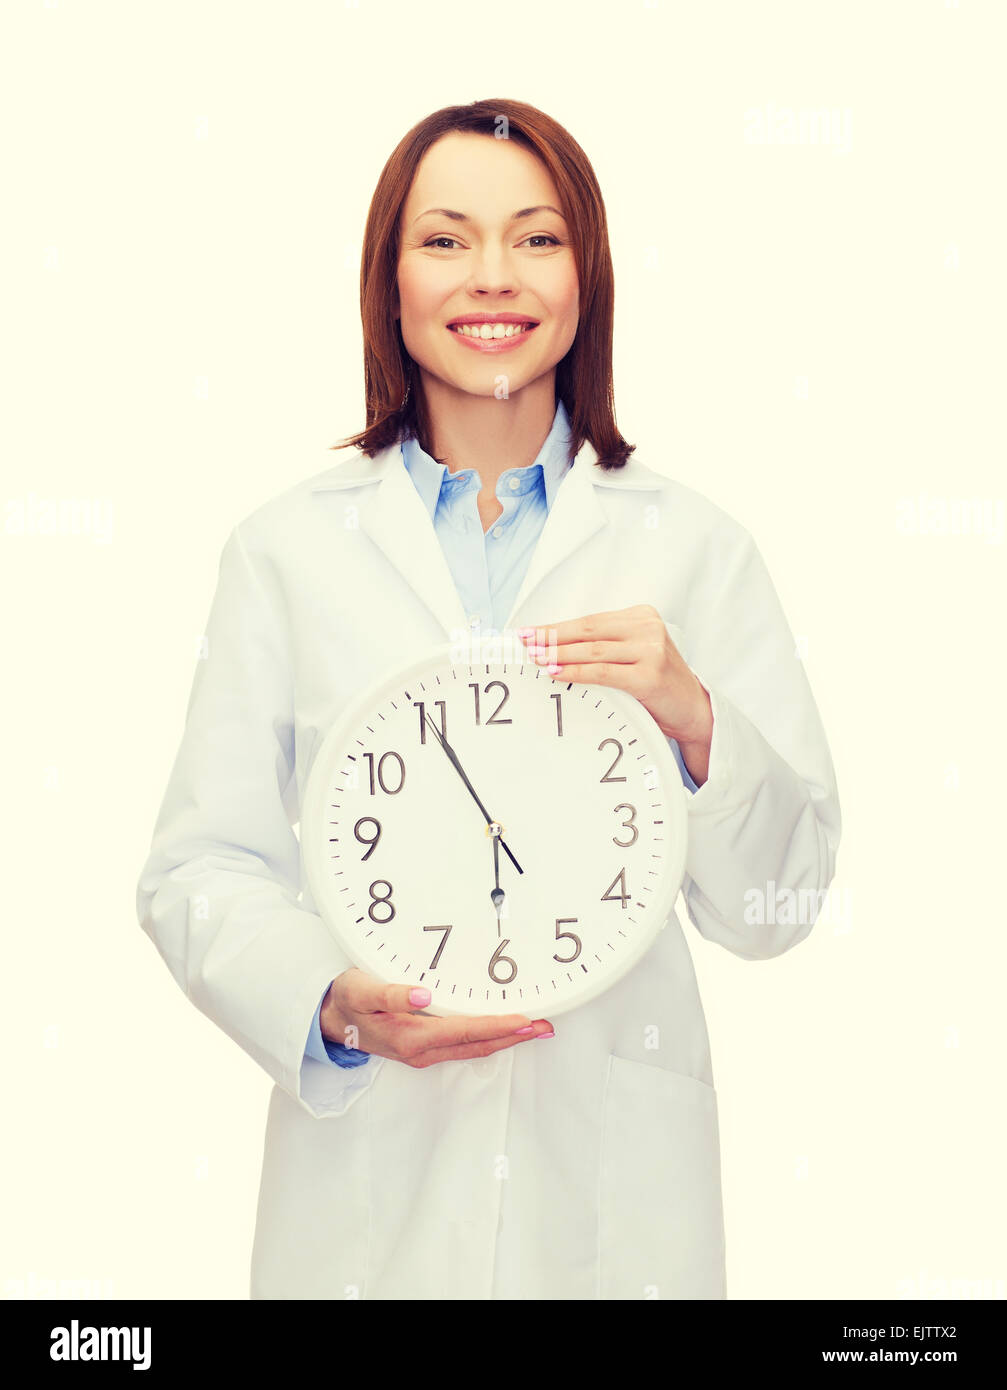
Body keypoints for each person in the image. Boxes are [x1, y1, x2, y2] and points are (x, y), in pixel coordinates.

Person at [136, 98, 841, 1301]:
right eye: (447, 239)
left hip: (614, 1197)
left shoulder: (690, 547)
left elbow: (781, 899)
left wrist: (697, 720)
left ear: (587, 277)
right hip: (365, 1197)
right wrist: (331, 1002)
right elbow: (197, 868)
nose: (492, 277)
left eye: (538, 237)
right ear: (391, 281)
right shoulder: (287, 551)